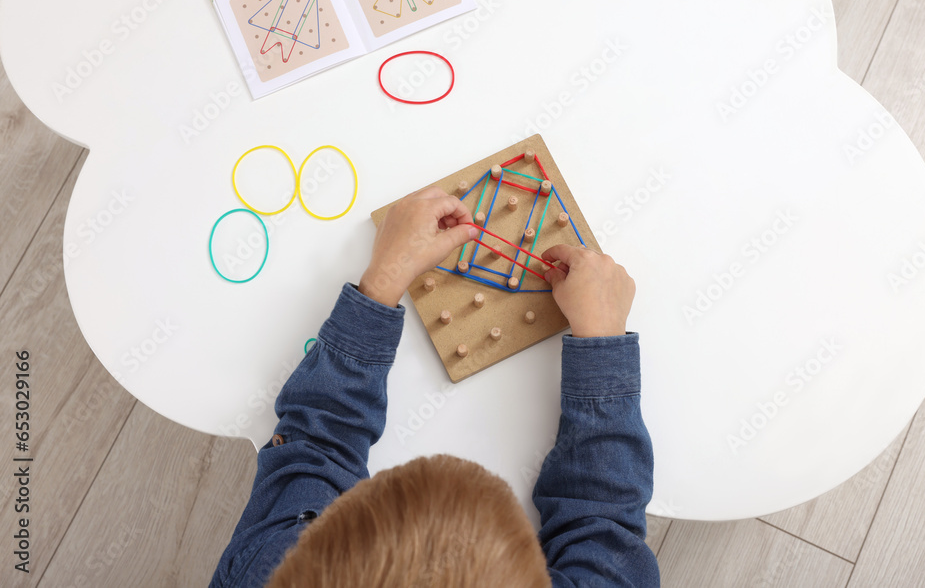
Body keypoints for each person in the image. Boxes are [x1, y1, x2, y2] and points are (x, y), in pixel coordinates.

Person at [209, 187, 659, 587]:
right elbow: (603, 528)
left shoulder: (274, 569)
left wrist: (383, 280)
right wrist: (603, 344)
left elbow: (316, 448)